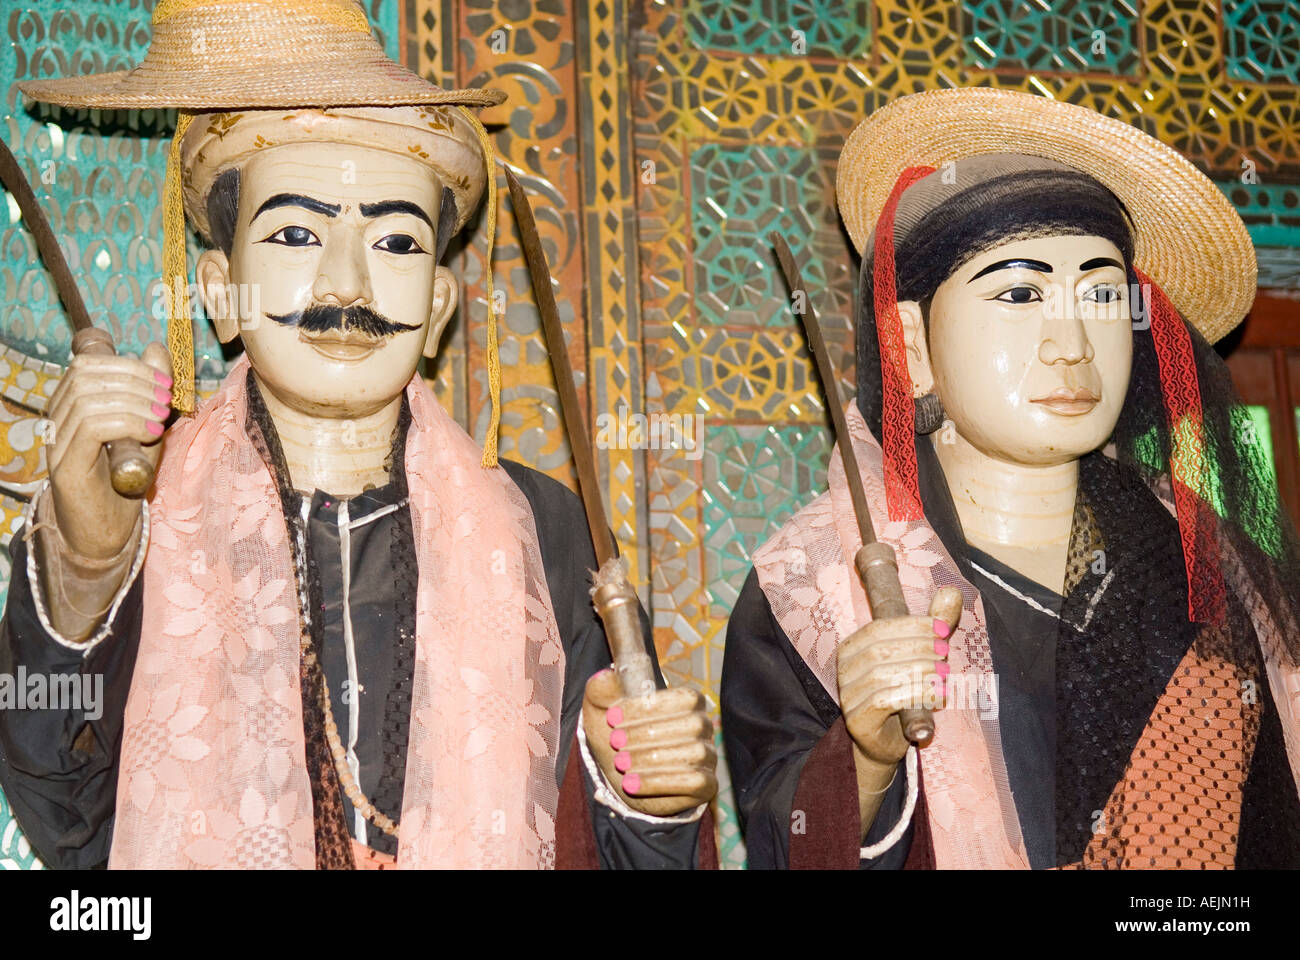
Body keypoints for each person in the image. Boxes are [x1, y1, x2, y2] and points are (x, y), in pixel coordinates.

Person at [0, 0, 716, 869]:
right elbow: (63, 810)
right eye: (298, 233)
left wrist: (641, 788)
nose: (348, 280)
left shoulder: (543, 531)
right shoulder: (134, 499)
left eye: (398, 243)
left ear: (441, 307)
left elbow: (624, 842)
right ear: (221, 290)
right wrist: (85, 562)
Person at [722, 87, 1300, 869]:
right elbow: (777, 838)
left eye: (1100, 295)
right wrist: (864, 763)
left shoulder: (1215, 568)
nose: (1071, 343)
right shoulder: (813, 589)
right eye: (1021, 293)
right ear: (911, 345)